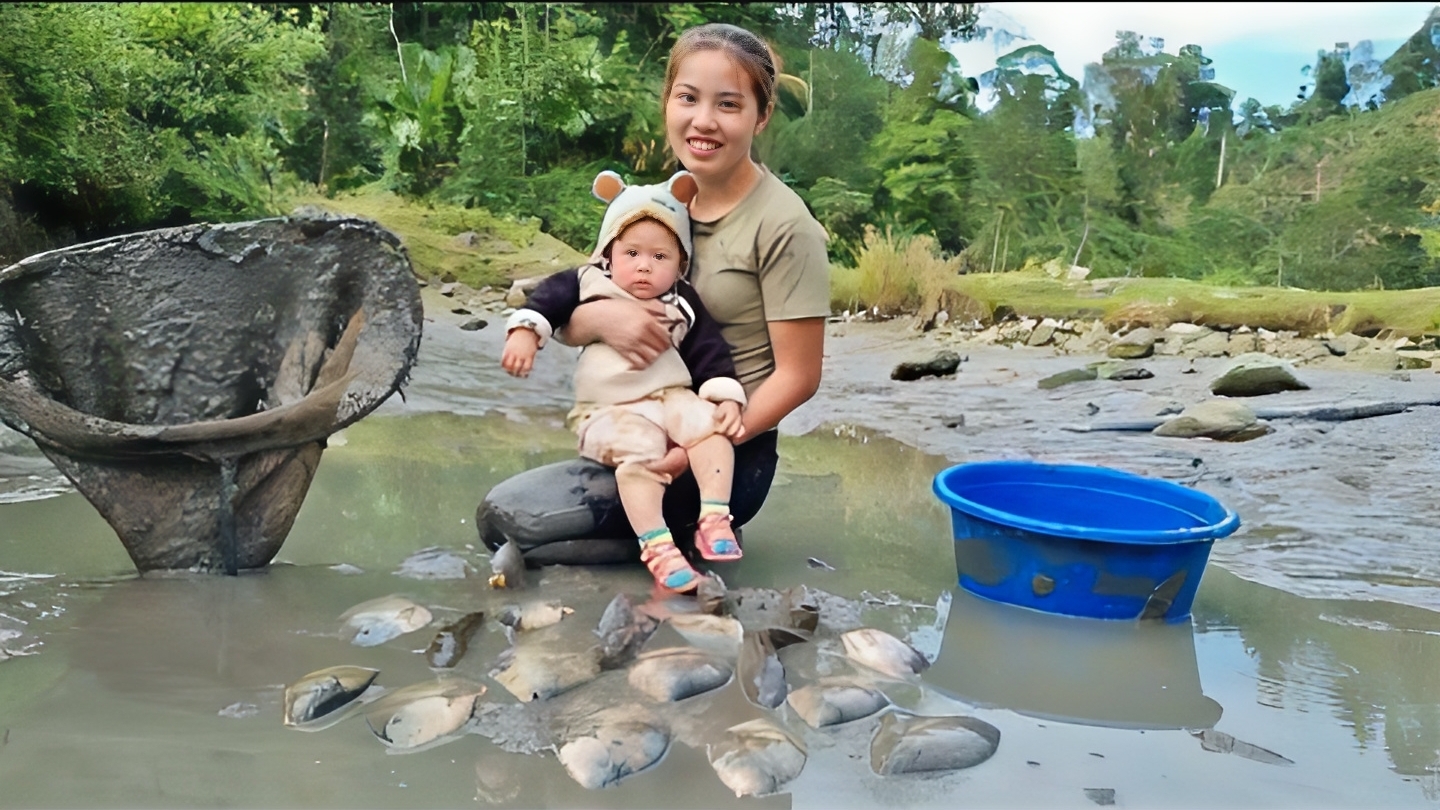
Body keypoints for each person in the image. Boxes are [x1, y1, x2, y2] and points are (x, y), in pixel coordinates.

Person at [476, 22, 829, 566]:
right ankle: (665, 537)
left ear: (760, 117)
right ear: (668, 102)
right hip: (640, 423)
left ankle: (689, 530)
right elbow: (582, 295)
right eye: (688, 98)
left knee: (508, 521)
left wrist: (702, 444)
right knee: (498, 522)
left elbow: (799, 377)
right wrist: (602, 324)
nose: (703, 121)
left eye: (729, 105)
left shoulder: (785, 226)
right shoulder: (660, 205)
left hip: (724, 452)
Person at [501, 170, 746, 593]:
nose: (644, 266)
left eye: (660, 257)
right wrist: (525, 332)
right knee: (642, 453)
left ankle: (714, 516)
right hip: (609, 410)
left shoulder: (683, 300)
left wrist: (725, 396)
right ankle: (657, 545)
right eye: (632, 253)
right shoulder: (587, 281)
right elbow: (546, 303)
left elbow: (709, 352)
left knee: (710, 425)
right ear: (608, 254)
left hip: (672, 397)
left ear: (681, 264)